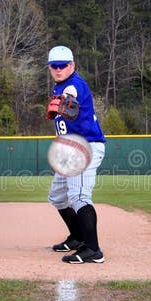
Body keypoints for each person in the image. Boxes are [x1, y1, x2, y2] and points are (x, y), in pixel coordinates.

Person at [45, 45, 106, 263]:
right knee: (58, 197)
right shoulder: (58, 85)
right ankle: (78, 238)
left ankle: (93, 250)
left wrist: (66, 98)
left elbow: (72, 94)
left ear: (72, 65)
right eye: (54, 65)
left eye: (63, 65)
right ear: (50, 68)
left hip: (86, 147)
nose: (59, 69)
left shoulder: (74, 85)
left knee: (79, 197)